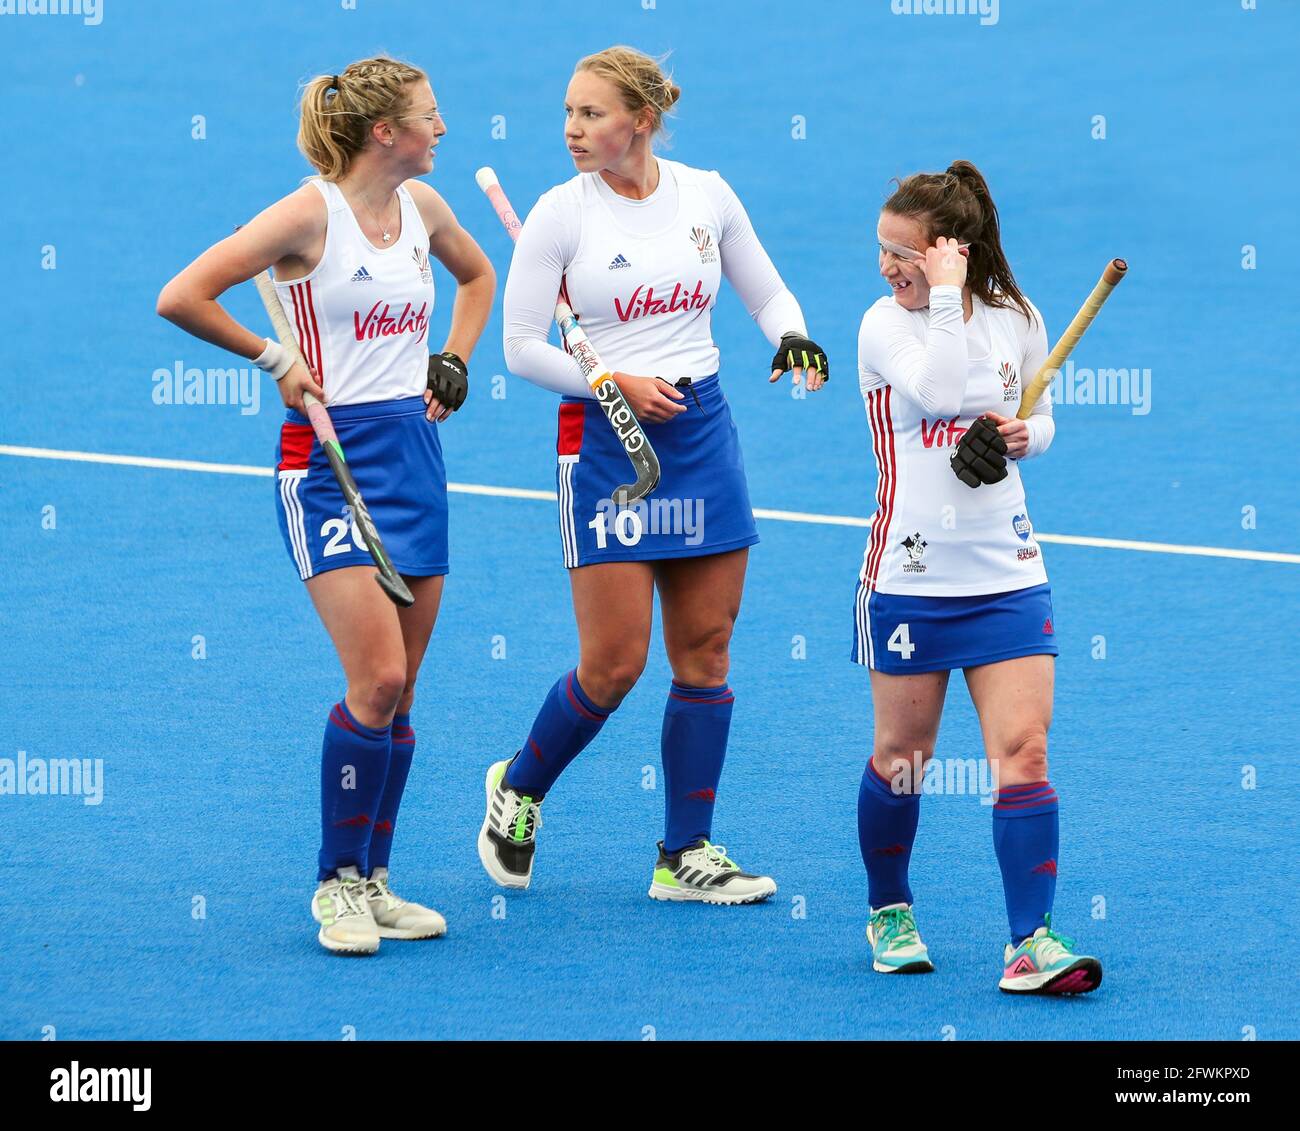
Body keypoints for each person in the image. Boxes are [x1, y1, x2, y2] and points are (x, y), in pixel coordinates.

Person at [157, 56, 494, 955]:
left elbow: (477, 278)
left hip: (414, 460)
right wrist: (273, 358)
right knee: (376, 679)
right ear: (386, 133)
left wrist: (453, 358)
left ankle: (375, 878)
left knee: (404, 691)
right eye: (431, 116)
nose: (444, 129)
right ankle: (335, 885)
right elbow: (182, 295)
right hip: (327, 466)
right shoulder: (311, 214)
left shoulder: (424, 210)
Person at [479, 45, 829, 904]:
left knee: (706, 651)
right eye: (567, 112)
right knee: (613, 663)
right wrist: (611, 381)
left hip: (701, 433)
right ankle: (518, 789)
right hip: (606, 443)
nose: (571, 128)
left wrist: (790, 333)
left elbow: (765, 292)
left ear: (639, 119)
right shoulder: (563, 216)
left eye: (591, 113)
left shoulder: (706, 194)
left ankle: (686, 852)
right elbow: (521, 348)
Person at [852, 161, 1102, 994]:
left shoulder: (1016, 318)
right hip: (911, 580)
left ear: (951, 251)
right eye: (883, 249)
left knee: (1024, 754)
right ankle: (890, 907)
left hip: (1006, 572)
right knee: (902, 760)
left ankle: (1029, 941)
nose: (888, 266)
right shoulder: (883, 327)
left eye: (904, 252)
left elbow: (1041, 410)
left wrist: (1030, 437)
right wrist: (947, 296)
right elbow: (935, 387)